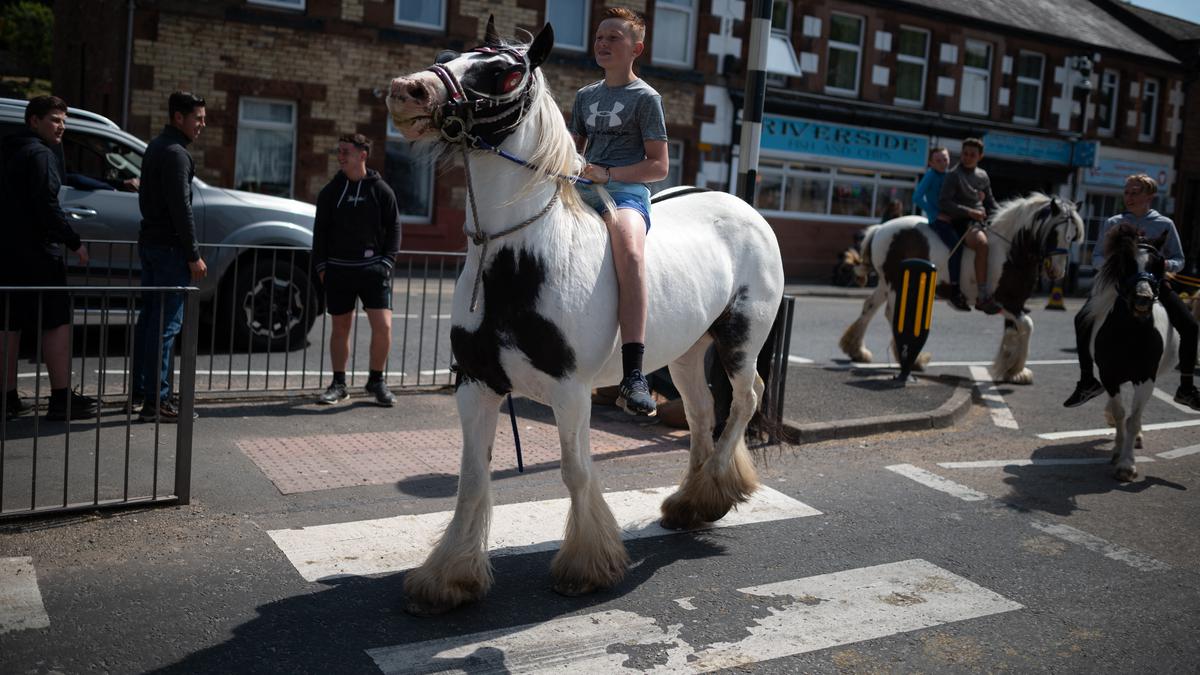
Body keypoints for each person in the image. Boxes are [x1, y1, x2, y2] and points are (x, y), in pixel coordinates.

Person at [569, 6, 669, 416]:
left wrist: (608, 173)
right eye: (599, 37)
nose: (603, 43)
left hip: (626, 192)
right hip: (581, 189)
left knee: (629, 252)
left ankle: (633, 374)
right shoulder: (584, 96)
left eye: (614, 37)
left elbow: (659, 166)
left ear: (636, 48)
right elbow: (573, 152)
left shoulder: (646, 98)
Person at [1063, 174, 1200, 410]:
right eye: (1126, 192)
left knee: (1190, 326)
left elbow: (1180, 260)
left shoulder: (1165, 224)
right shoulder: (1113, 222)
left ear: (1150, 196)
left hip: (1154, 284)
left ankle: (1186, 388)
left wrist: (1164, 264)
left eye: (1135, 192)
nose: (1129, 197)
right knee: (1081, 319)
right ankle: (1087, 381)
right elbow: (1096, 257)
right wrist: (1113, 265)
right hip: (1116, 286)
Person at [0, 95, 99, 420]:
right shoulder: (41, 154)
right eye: (55, 120)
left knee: (9, 323)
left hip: (8, 251)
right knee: (56, 322)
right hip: (38, 252)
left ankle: (6, 399)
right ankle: (61, 399)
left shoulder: (9, 149)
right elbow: (47, 205)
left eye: (63, 121)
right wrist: (74, 242)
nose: (61, 127)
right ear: (34, 121)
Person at [131, 91, 207, 423]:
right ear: (179, 117)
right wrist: (193, 255)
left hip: (151, 243)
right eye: (198, 118)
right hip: (170, 250)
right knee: (165, 326)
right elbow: (181, 209)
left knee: (150, 321)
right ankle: (157, 401)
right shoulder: (177, 154)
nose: (202, 125)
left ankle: (141, 393)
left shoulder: (156, 147)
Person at [312, 133, 402, 407]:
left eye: (345, 152)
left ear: (362, 155)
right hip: (338, 271)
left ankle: (377, 380)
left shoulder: (381, 190)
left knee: (384, 326)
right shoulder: (330, 192)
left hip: (373, 270)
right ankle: (338, 384)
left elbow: (395, 228)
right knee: (340, 328)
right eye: (338, 151)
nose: (340, 156)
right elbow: (319, 233)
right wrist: (322, 267)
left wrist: (386, 263)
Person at [937, 138, 1002, 314]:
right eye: (965, 154)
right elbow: (944, 202)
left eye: (972, 155)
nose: (967, 157)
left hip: (980, 220)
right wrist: (970, 212)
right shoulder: (953, 175)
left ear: (980, 156)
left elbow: (990, 202)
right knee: (982, 244)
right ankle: (982, 296)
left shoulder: (983, 175)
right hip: (961, 221)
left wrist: (1004, 216)